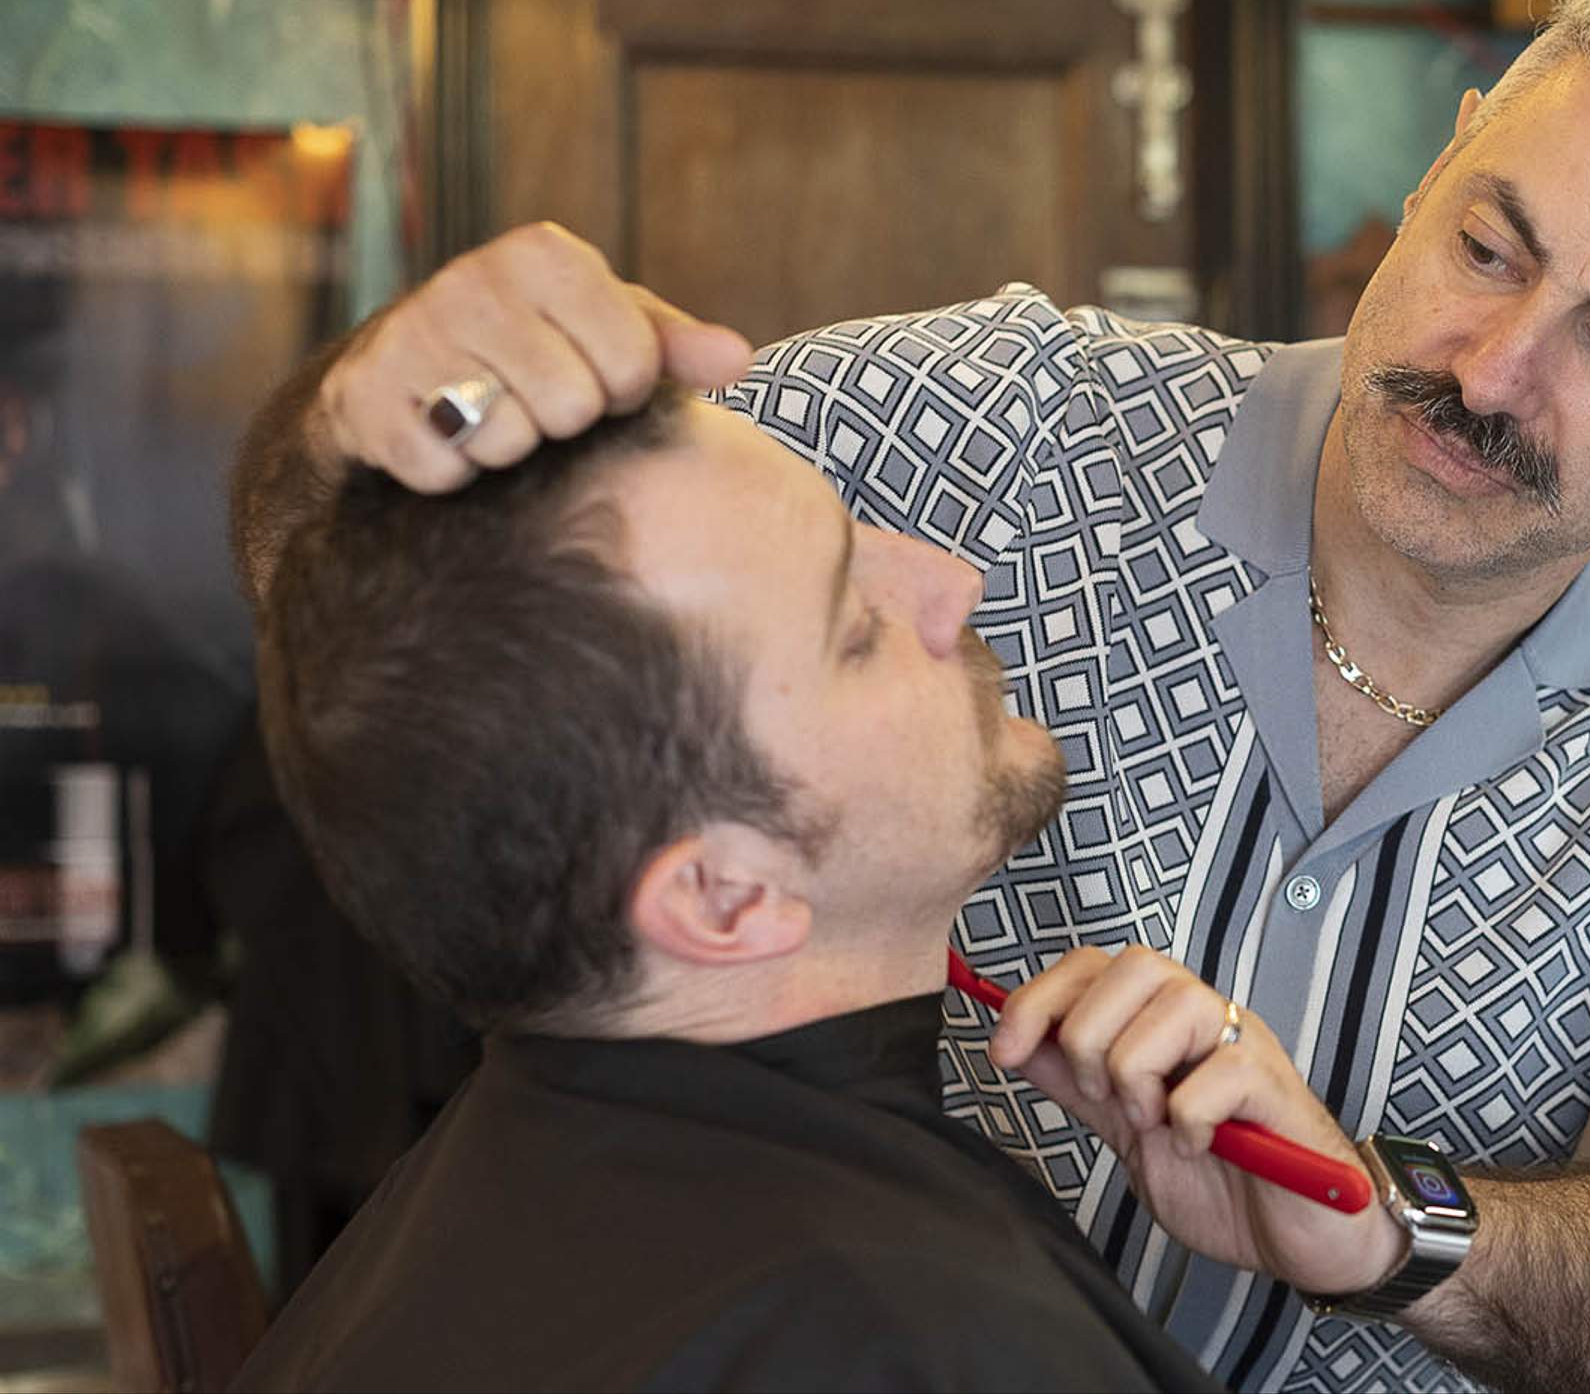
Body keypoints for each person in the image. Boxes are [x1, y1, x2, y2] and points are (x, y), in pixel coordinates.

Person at [233, 0, 1590, 1392]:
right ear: (1443, 154)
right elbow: (405, 605)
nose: (1489, 366)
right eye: (1486, 246)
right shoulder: (985, 433)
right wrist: (358, 412)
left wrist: (1378, 1223)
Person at [236, 387, 1412, 1391]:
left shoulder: (457, 1222)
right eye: (855, 622)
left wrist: (1377, 1241)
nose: (951, 585)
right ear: (724, 898)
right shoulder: (902, 1331)